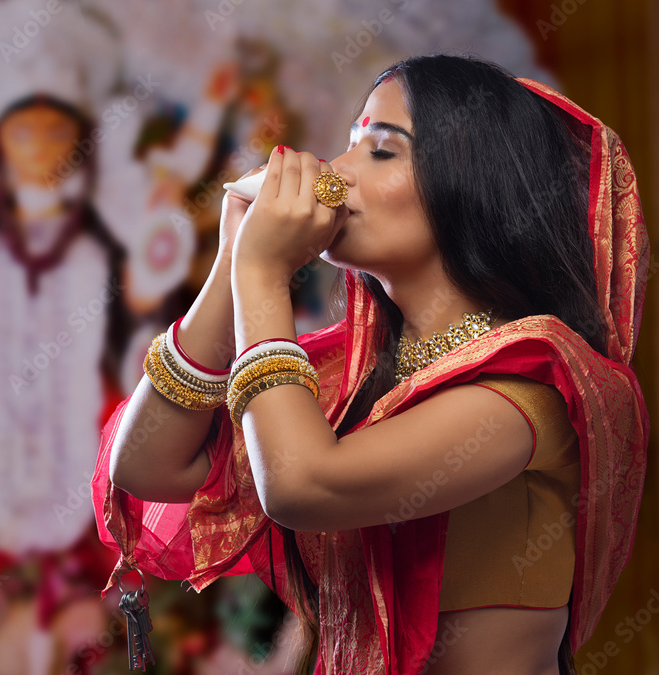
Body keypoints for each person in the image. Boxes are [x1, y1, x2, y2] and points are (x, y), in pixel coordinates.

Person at [92, 55, 650, 674]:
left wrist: (262, 273)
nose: (336, 171)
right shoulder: (354, 380)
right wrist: (232, 259)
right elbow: (145, 466)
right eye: (351, 145)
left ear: (472, 186)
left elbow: (302, 485)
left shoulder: (533, 386)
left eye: (382, 151)